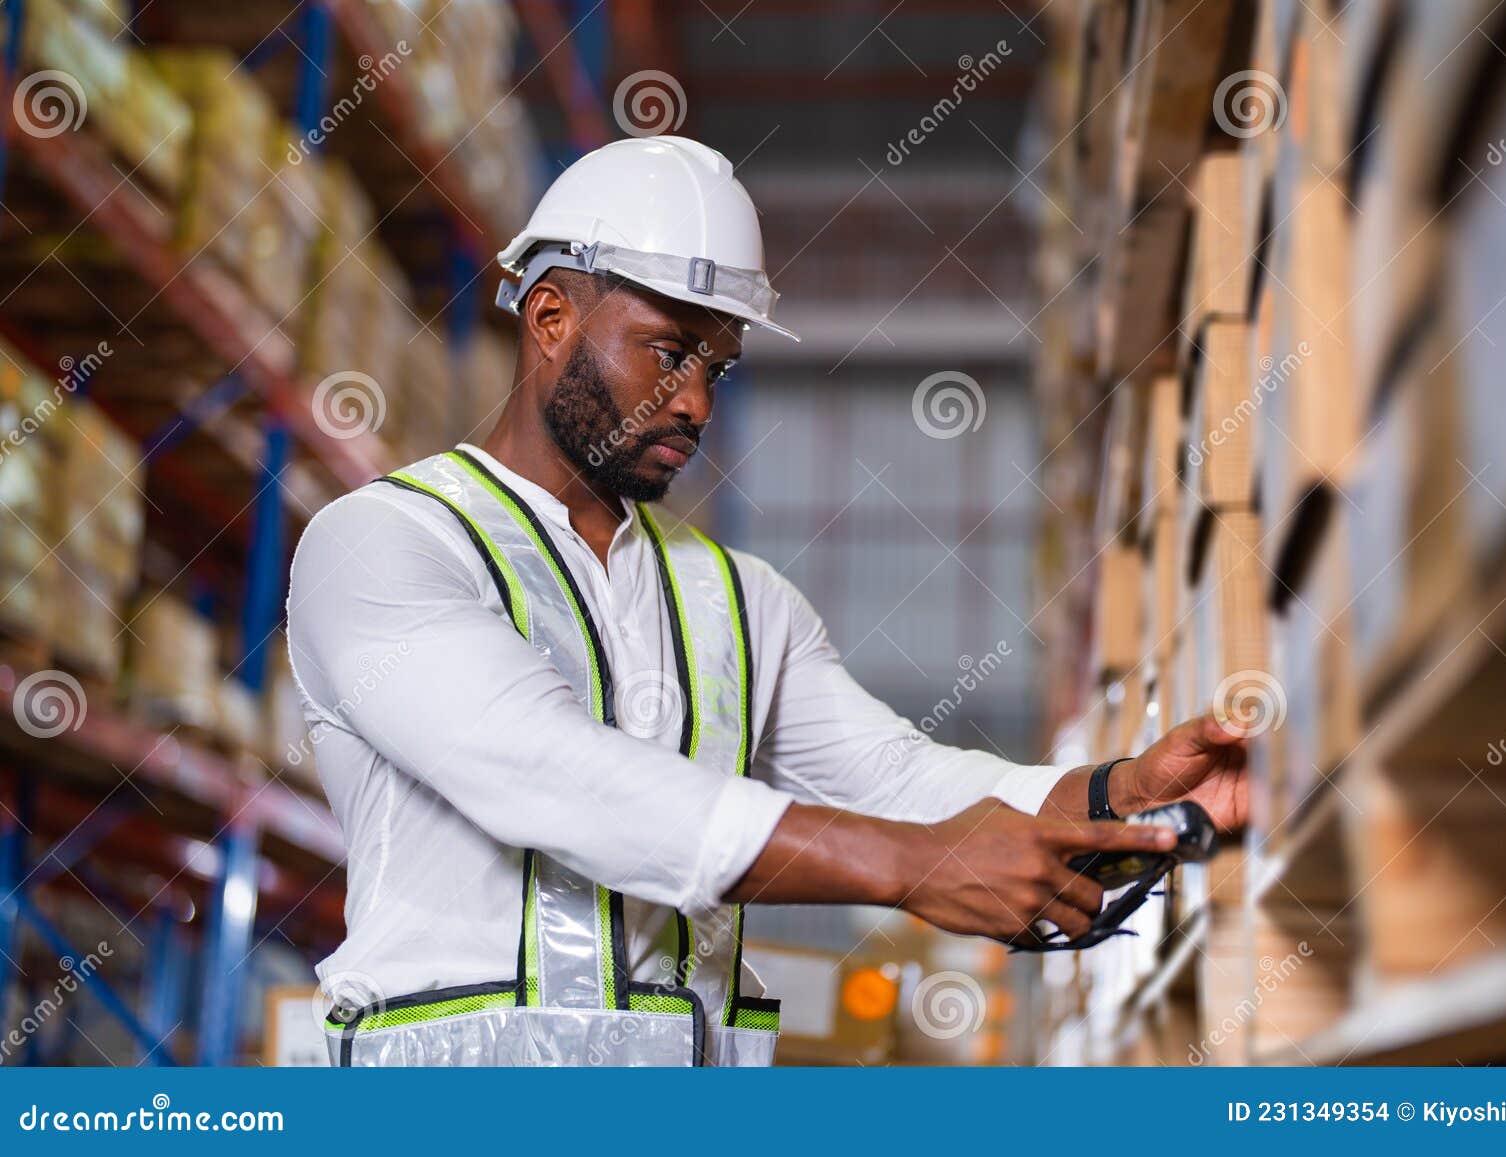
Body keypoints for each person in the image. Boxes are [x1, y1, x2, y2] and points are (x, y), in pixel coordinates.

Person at [286, 135, 1249, 1067]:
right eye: (667, 352)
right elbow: (549, 774)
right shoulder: (384, 543)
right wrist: (911, 866)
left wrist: (1120, 796)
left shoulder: (740, 599)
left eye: (717, 366)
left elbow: (898, 779)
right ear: (549, 320)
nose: (696, 401)